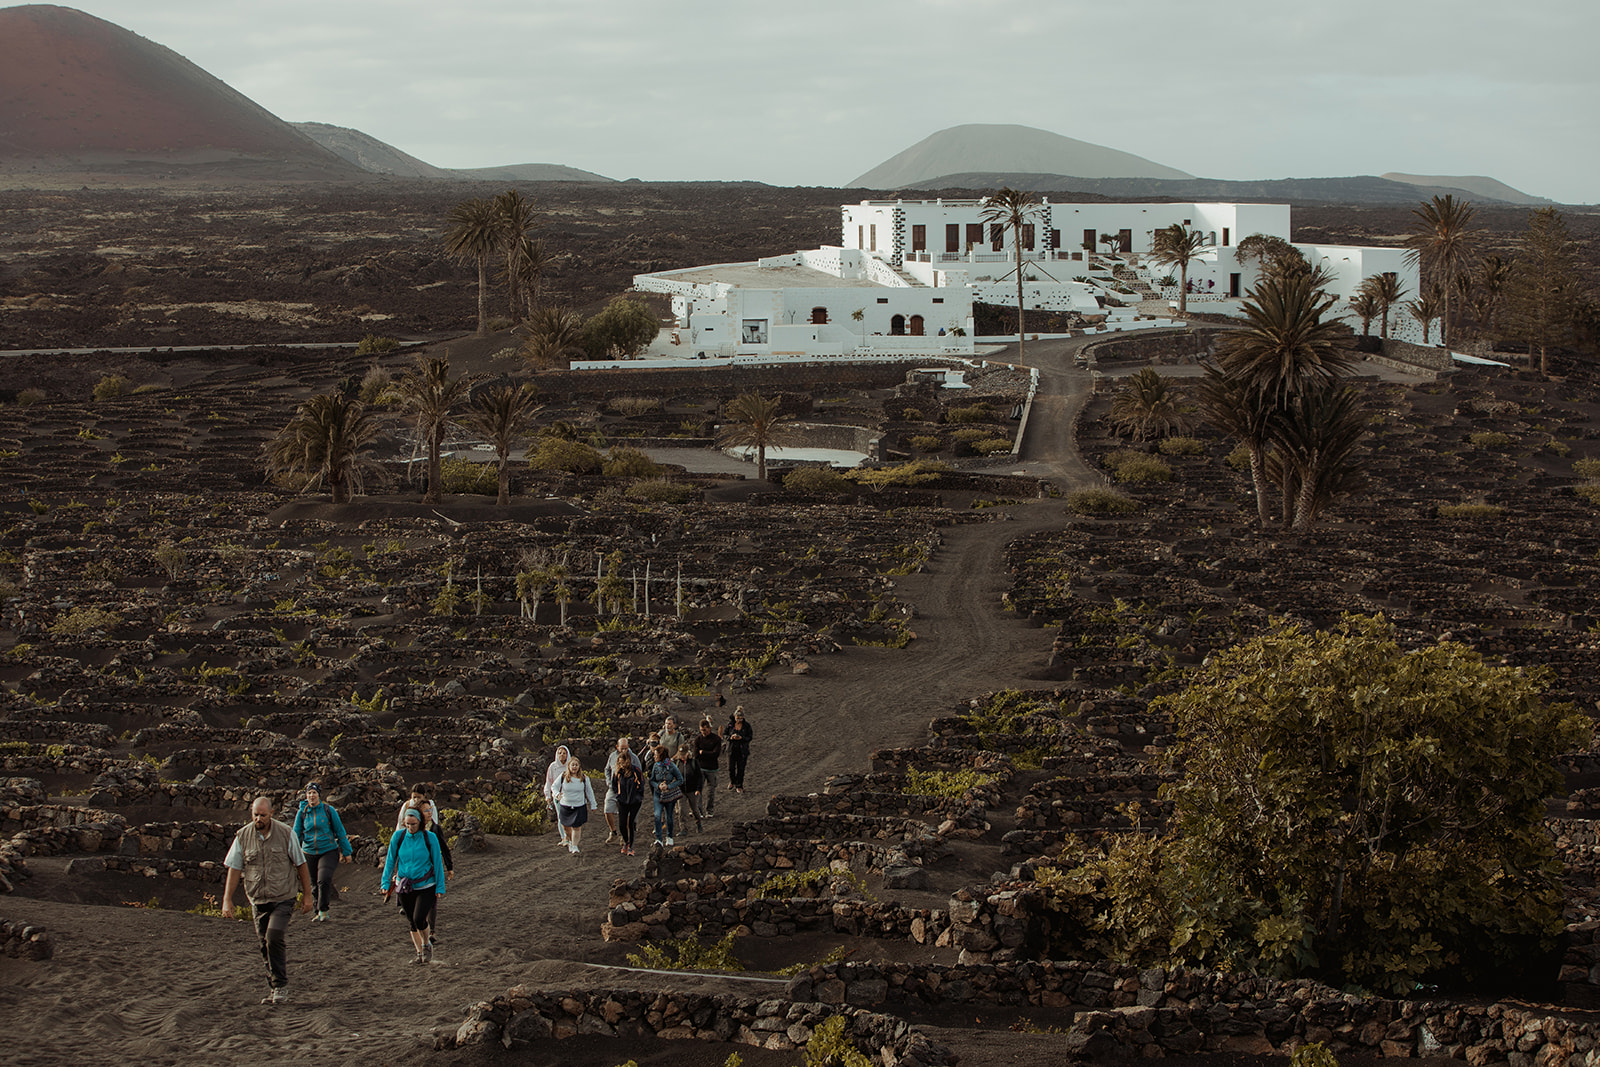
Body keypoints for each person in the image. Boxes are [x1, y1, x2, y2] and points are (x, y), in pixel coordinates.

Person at [221, 796, 314, 1004]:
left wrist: (308, 895)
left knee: (274, 936)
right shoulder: (243, 836)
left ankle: (281, 986)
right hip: (258, 899)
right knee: (264, 944)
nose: (258, 819)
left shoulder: (285, 834)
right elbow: (234, 868)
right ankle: (273, 987)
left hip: (283, 896)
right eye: (255, 814)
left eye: (262, 815)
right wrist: (227, 899)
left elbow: (301, 864)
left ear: (271, 813)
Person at [381, 805, 446, 964]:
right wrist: (385, 882)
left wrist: (440, 887)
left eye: (413, 824)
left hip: (426, 886)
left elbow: (437, 863)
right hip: (404, 886)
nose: (410, 827)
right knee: (411, 921)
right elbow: (390, 861)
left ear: (420, 823)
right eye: (407, 824)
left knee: (419, 919)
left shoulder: (429, 837)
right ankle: (419, 954)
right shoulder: (398, 837)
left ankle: (426, 944)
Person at [291, 781, 351, 922]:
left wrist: (347, 851)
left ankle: (323, 910)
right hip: (309, 852)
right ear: (306, 795)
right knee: (313, 883)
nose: (311, 796)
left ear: (319, 795)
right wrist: (293, 854)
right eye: (309, 793)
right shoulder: (302, 813)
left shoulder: (328, 810)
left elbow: (340, 831)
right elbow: (295, 834)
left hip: (328, 850)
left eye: (314, 793)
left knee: (323, 879)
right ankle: (317, 911)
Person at [412, 797, 454, 950]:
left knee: (432, 901)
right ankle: (422, 927)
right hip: (415, 873)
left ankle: (432, 930)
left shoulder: (435, 829)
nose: (429, 813)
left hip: (431, 871)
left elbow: (444, 848)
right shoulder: (410, 831)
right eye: (426, 811)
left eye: (430, 810)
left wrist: (449, 866)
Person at [554, 756, 597, 854]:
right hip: (565, 805)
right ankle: (569, 840)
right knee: (565, 826)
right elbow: (554, 787)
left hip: (579, 805)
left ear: (579, 766)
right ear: (569, 766)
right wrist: (557, 794)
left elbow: (589, 792)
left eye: (576, 765)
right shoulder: (563, 776)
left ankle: (574, 845)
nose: (574, 767)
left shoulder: (584, 778)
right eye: (572, 765)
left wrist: (593, 804)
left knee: (576, 827)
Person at [603, 737, 641, 844]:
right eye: (622, 748)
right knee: (608, 809)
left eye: (626, 748)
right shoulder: (612, 756)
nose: (624, 750)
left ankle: (625, 836)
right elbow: (607, 770)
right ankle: (613, 832)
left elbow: (639, 773)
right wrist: (609, 782)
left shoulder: (633, 758)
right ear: (617, 747)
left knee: (627, 815)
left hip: (628, 791)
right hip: (614, 788)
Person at [610, 747, 646, 856]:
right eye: (620, 763)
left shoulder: (636, 771)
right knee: (622, 824)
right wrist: (618, 795)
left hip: (635, 801)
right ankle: (626, 842)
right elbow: (614, 785)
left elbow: (641, 783)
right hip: (622, 801)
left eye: (623, 762)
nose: (622, 765)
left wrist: (638, 795)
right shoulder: (618, 773)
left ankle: (631, 847)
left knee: (631, 823)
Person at [648, 744, 684, 846]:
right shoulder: (655, 766)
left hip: (669, 795)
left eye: (656, 755)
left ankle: (669, 836)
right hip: (658, 794)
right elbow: (652, 780)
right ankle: (659, 839)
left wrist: (669, 786)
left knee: (669, 816)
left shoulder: (671, 766)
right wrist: (658, 785)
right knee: (657, 815)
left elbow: (680, 779)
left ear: (661, 756)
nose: (654, 757)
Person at [694, 718, 723, 817]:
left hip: (712, 768)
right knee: (698, 790)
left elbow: (716, 754)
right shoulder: (698, 739)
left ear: (709, 728)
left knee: (711, 791)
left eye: (705, 730)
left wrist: (703, 752)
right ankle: (699, 810)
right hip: (700, 768)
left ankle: (709, 810)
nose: (703, 732)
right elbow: (696, 754)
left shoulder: (716, 739)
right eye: (701, 730)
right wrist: (707, 753)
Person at [544, 746, 571, 846]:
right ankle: (564, 837)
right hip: (558, 796)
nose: (561, 755)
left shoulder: (570, 766)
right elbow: (549, 782)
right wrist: (548, 796)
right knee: (561, 817)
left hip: (570, 795)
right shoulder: (553, 767)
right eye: (559, 753)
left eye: (564, 753)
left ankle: (570, 837)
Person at [675, 743, 704, 835]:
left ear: (688, 753)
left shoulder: (694, 763)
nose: (682, 757)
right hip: (681, 790)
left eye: (684, 754)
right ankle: (683, 828)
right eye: (681, 755)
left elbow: (700, 777)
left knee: (694, 809)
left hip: (692, 790)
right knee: (682, 810)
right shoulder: (678, 763)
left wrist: (698, 789)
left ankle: (698, 823)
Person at [726, 707, 754, 794]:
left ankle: (739, 785)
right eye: (737, 718)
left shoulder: (746, 726)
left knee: (741, 769)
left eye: (740, 718)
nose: (739, 720)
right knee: (731, 768)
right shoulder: (730, 725)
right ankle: (732, 781)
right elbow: (724, 734)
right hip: (731, 749)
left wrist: (742, 738)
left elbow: (750, 737)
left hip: (742, 751)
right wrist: (730, 737)